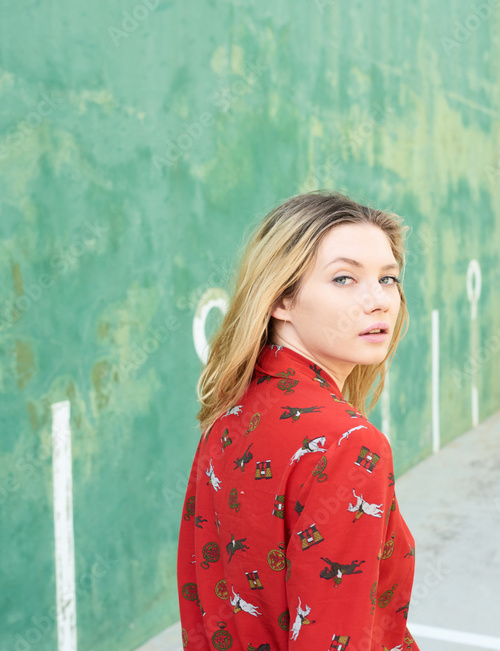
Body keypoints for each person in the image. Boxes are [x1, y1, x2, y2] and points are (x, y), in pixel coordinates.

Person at [176, 191, 418, 650]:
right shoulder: (348, 444)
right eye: (344, 278)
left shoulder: (229, 411)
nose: (379, 301)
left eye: (388, 278)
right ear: (281, 299)